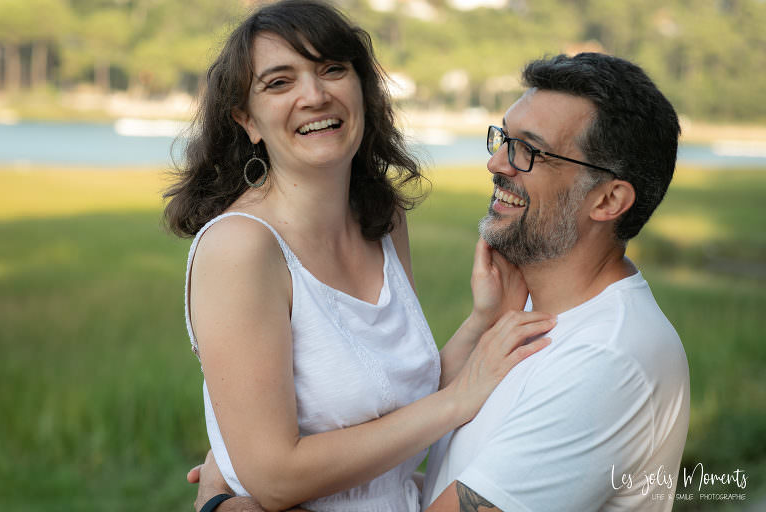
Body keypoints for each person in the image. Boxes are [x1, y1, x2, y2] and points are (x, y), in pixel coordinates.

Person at [191, 52, 691, 511]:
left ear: (607, 201)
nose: (497, 164)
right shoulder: (532, 320)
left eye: (528, 152)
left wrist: (225, 504)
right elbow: (409, 425)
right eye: (503, 139)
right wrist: (482, 322)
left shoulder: (604, 360)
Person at [165, 1, 552, 512]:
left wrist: (485, 319)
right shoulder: (241, 248)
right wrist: (456, 403)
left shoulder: (383, 219)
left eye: (332, 70)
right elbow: (275, 479)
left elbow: (399, 403)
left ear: (362, 90)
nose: (315, 95)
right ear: (247, 119)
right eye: (280, 83)